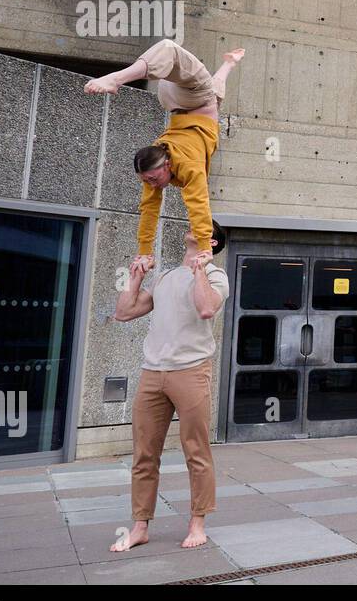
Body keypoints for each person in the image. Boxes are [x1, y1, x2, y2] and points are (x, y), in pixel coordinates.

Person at [110, 221, 230, 552]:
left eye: (202, 225)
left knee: (196, 450)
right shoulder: (164, 277)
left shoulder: (217, 277)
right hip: (153, 372)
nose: (193, 225)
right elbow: (123, 312)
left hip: (191, 371)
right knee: (144, 453)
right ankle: (139, 526)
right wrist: (136, 277)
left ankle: (197, 523)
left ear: (213, 240)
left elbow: (206, 308)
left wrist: (200, 270)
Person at [86, 39, 244, 267]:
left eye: (152, 179)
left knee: (168, 48)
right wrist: (144, 253)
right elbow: (149, 210)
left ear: (167, 165)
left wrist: (204, 248)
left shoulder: (187, 164)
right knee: (215, 92)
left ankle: (116, 79)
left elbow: (198, 204)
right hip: (186, 98)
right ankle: (229, 62)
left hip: (186, 97)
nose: (153, 184)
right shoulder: (158, 165)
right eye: (146, 181)